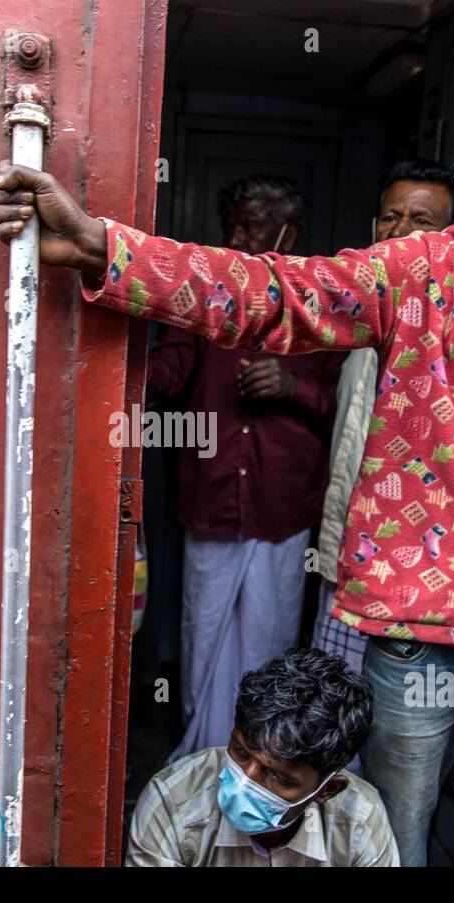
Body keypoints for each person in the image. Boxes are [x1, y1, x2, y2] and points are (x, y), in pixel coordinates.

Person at [0, 75, 454, 866]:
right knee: (394, 852)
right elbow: (278, 292)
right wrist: (103, 246)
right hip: (417, 642)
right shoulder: (433, 272)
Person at [145, 174, 345, 759]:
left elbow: (354, 411)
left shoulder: (328, 309)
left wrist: (294, 388)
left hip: (284, 511)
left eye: (250, 227)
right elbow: (170, 370)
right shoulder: (205, 300)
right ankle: (203, 761)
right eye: (231, 226)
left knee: (269, 642)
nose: (237, 238)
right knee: (201, 637)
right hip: (211, 504)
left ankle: (262, 760)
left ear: (290, 233)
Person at [315, 159, 454, 680]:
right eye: (390, 217)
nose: (400, 233)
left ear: (451, 236)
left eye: (421, 222)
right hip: (342, 551)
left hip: (409, 571)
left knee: (389, 714)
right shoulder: (357, 311)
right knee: (334, 700)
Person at [124, 647, 398, 866]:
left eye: (277, 776)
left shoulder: (359, 822)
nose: (246, 778)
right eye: (241, 752)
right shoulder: (173, 801)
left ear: (327, 789)